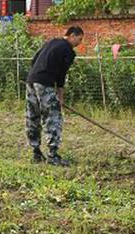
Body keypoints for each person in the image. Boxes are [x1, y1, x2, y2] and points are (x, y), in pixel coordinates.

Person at [25, 25, 83, 167]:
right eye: (79, 39)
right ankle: (53, 155)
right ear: (72, 35)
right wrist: (60, 97)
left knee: (33, 116)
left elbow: (34, 60)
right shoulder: (68, 50)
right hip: (45, 83)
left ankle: (36, 152)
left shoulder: (50, 42)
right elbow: (61, 75)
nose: (79, 43)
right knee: (53, 117)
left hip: (31, 81)